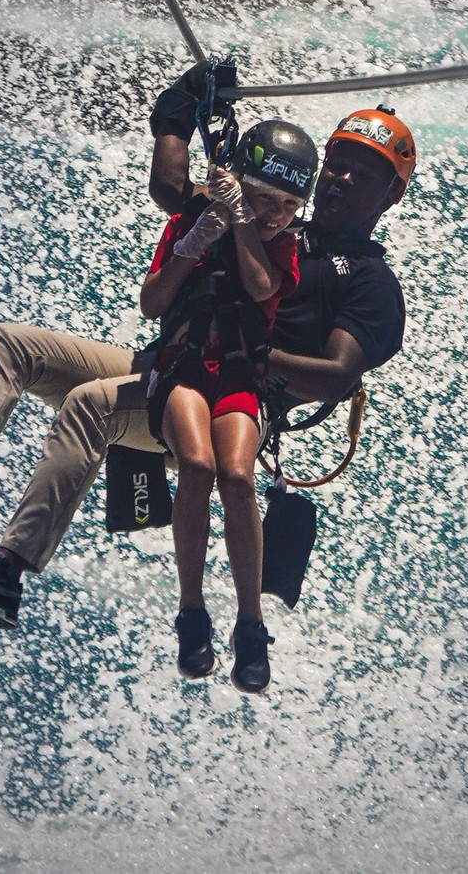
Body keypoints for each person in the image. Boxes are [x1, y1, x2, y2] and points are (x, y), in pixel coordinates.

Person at [0, 65, 417, 685]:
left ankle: (5, 572)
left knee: (94, 405)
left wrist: (249, 351)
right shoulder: (270, 214)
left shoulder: (369, 284)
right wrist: (181, 110)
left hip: (232, 407)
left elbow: (333, 377)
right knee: (12, 345)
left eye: (363, 176)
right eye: (337, 164)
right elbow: (174, 190)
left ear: (391, 197)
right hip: (169, 368)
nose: (342, 179)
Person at [140, 123, 316, 690]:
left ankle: (250, 626)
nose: (275, 214)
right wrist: (193, 242)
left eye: (289, 205)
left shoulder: (282, 245)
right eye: (265, 198)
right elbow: (152, 304)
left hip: (240, 378)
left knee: (237, 477)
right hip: (185, 370)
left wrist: (241, 218)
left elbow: (262, 287)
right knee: (197, 465)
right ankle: (191, 613)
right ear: (240, 183)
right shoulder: (188, 223)